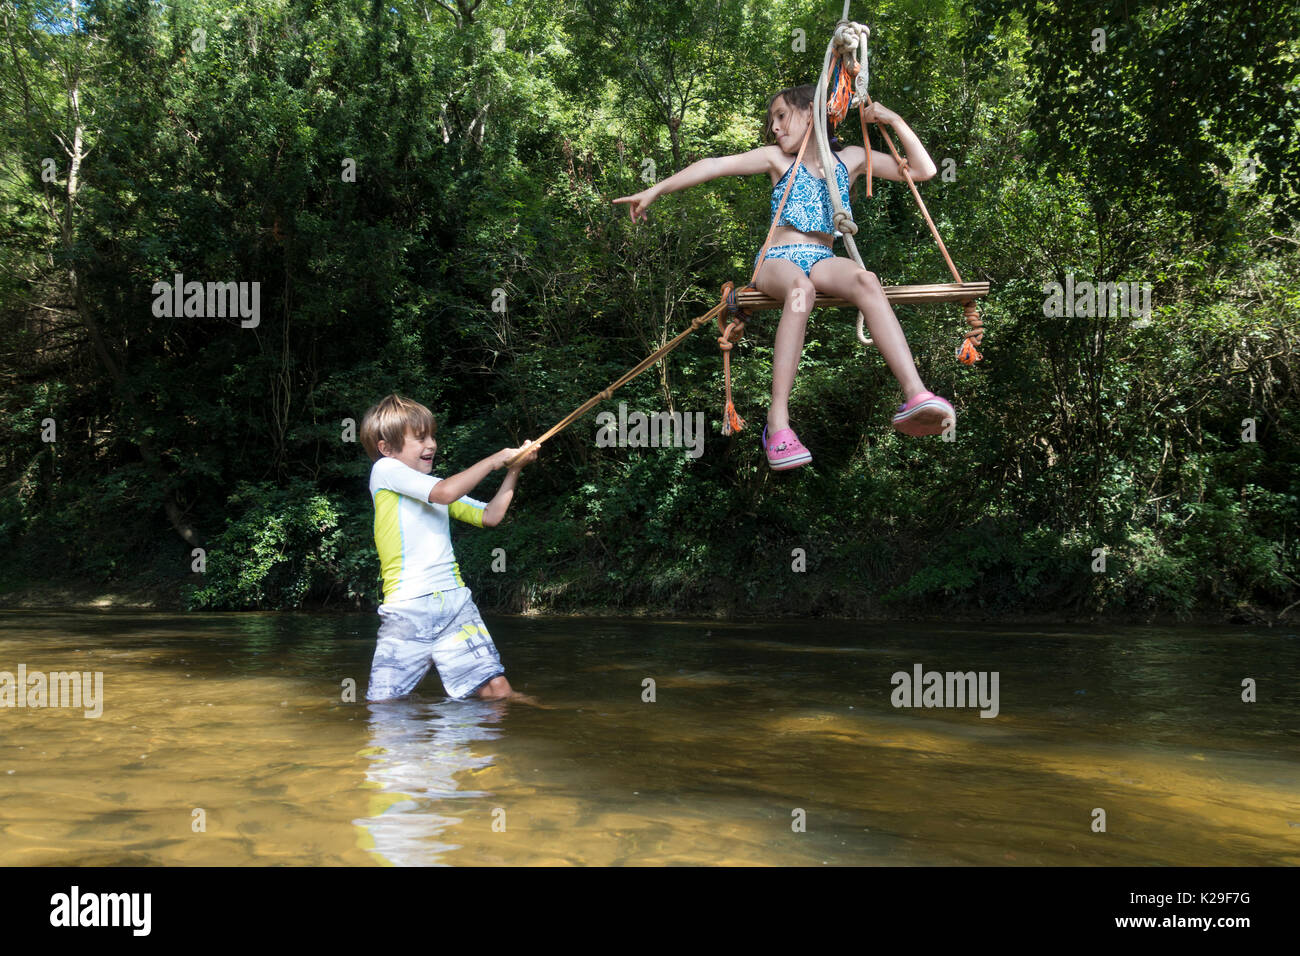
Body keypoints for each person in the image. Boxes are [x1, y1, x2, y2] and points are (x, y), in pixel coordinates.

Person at [614, 84, 955, 471]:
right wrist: (656, 189)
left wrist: (891, 119)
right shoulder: (776, 159)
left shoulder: (852, 158)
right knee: (800, 290)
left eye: (781, 115)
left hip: (822, 256)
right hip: (777, 259)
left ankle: (915, 394)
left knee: (867, 280)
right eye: (771, 120)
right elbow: (713, 164)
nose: (774, 127)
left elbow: (923, 171)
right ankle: (777, 423)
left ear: (811, 113)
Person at [359, 394, 537, 702]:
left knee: (497, 691)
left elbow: (490, 516)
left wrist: (513, 469)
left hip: (454, 603)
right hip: (408, 608)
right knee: (385, 706)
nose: (431, 444)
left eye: (431, 435)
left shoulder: (437, 487)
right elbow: (444, 493)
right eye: (419, 438)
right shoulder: (385, 470)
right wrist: (495, 459)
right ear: (386, 448)